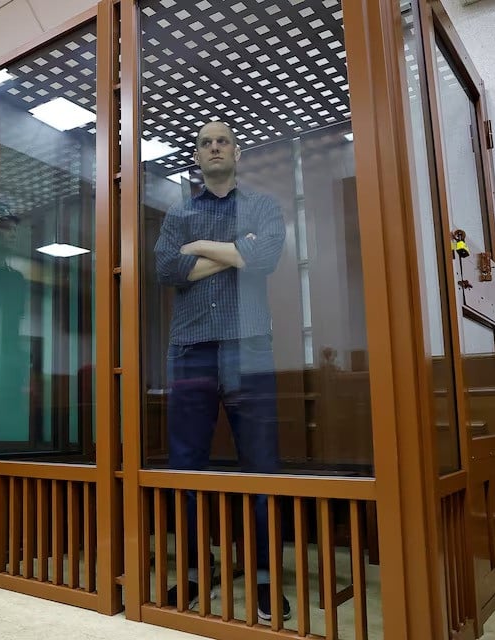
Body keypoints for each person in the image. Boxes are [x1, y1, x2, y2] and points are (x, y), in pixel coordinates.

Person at [154, 121, 289, 621]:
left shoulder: (262, 206)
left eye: (224, 141)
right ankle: (193, 574)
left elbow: (267, 257)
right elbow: (167, 269)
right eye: (206, 142)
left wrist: (198, 249)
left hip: (249, 345)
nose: (215, 147)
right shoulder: (180, 211)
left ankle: (263, 579)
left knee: (261, 466)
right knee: (186, 466)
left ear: (237, 152)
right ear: (197, 155)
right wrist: (235, 253)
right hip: (190, 348)